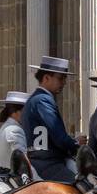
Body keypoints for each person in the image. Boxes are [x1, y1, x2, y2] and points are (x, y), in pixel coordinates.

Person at [22, 55, 83, 184]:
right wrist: (76, 144)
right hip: (48, 163)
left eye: (65, 79)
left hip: (42, 160)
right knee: (83, 189)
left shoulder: (37, 99)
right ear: (46, 77)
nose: (64, 83)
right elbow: (59, 137)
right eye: (61, 78)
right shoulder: (43, 100)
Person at [0, 92, 28, 171]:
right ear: (16, 112)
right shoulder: (15, 130)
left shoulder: (6, 127)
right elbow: (23, 161)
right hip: (12, 179)